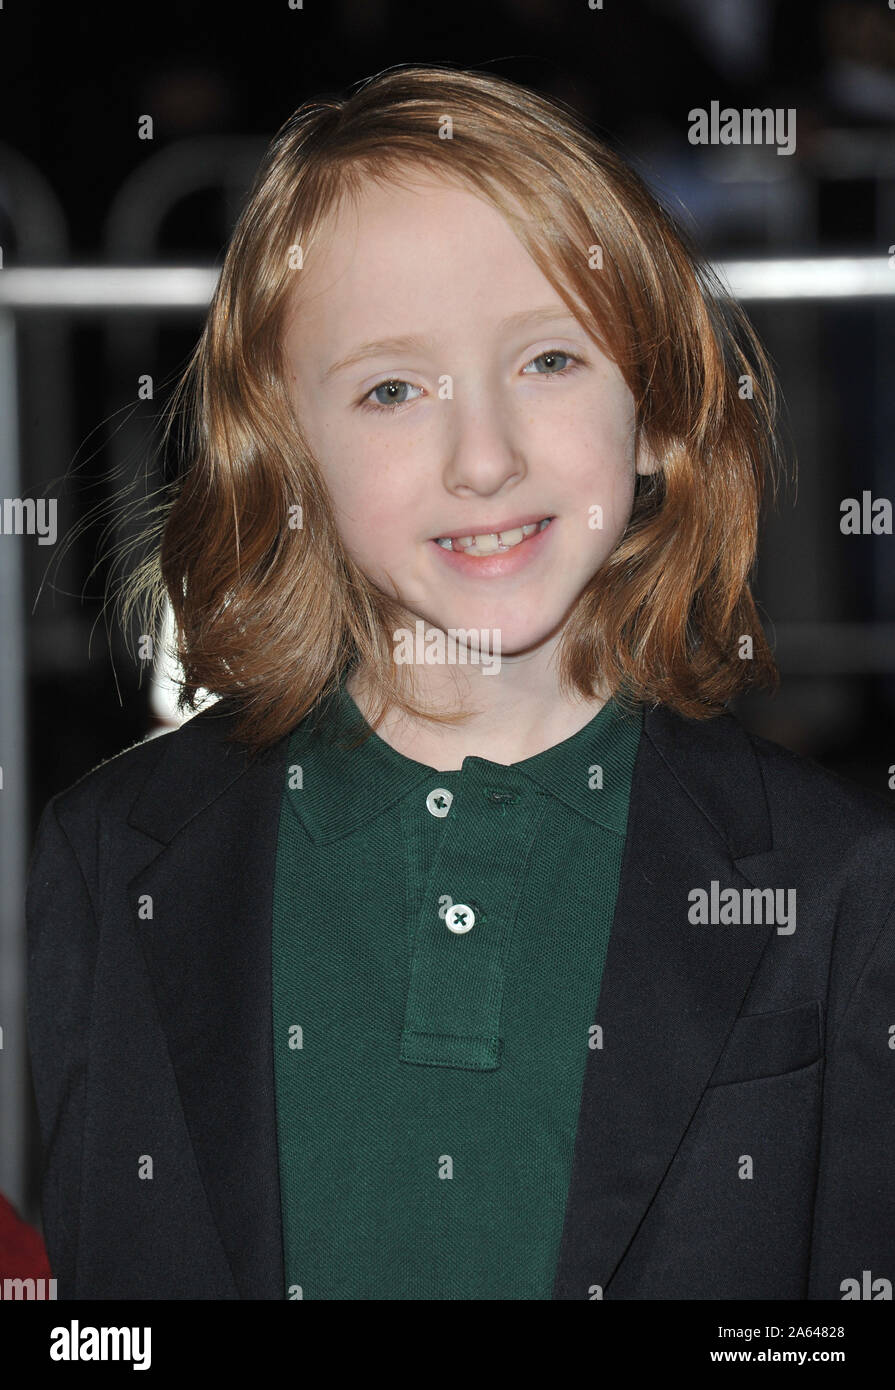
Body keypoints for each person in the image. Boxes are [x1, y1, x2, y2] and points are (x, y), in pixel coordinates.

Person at [26, 63, 895, 1300]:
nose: (481, 457)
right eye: (391, 388)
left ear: (652, 409)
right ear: (285, 456)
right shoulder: (112, 859)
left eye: (548, 360)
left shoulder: (838, 884)